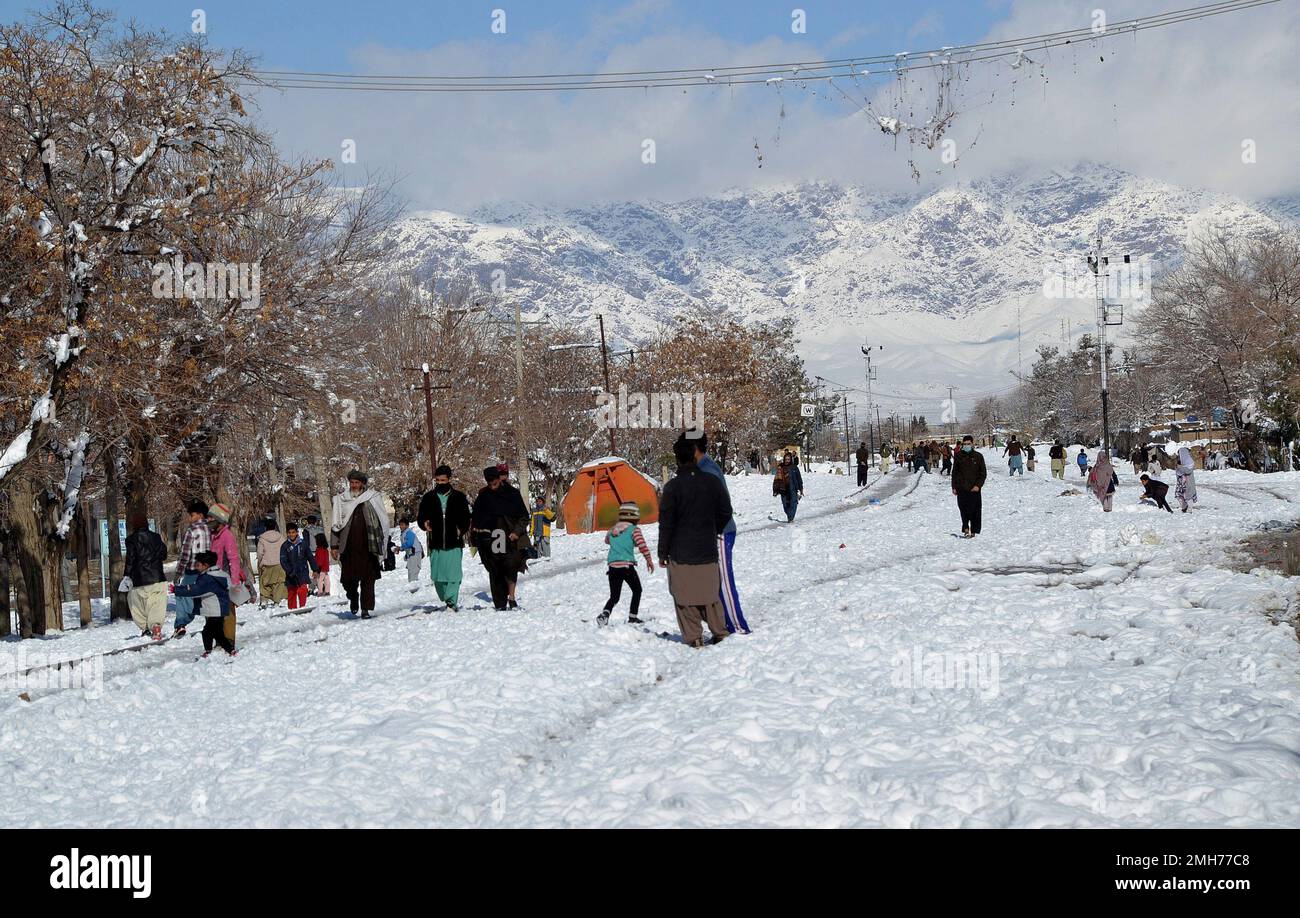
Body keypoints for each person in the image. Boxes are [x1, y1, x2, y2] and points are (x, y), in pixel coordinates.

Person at [659, 435, 733, 647]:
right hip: (706, 549)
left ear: (677, 459)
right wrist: (714, 528)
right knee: (710, 595)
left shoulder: (672, 488)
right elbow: (725, 510)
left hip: (680, 551)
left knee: (684, 597)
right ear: (694, 455)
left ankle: (694, 637)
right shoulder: (711, 482)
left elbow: (666, 524)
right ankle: (720, 632)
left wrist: (663, 553)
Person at [695, 432, 749, 635]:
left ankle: (738, 627)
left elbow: (718, 505)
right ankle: (725, 625)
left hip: (720, 532)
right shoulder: (702, 468)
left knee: (724, 583)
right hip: (713, 532)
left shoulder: (708, 470)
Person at [330, 469, 390, 618]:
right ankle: (353, 597)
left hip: (368, 547)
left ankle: (365, 609)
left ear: (362, 484)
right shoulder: (341, 500)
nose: (354, 485)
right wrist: (334, 546)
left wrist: (382, 543)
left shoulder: (372, 498)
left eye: (357, 482)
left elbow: (383, 521)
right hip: (349, 548)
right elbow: (336, 524)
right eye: (352, 482)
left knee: (368, 580)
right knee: (348, 580)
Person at [470, 465, 530, 611]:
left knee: (510, 567)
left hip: (509, 537)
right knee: (495, 570)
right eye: (489, 484)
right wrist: (475, 537)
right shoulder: (484, 495)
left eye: (494, 483)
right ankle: (500, 604)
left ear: (499, 479)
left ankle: (511, 597)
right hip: (491, 538)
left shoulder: (512, 494)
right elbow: (476, 518)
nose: (492, 487)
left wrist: (516, 532)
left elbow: (523, 517)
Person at [417, 465, 472, 611]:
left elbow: (466, 517)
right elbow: (421, 516)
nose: (440, 483)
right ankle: (445, 597)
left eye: (443, 480)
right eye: (438, 480)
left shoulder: (459, 497)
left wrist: (461, 529)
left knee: (454, 575)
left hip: (454, 542)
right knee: (437, 576)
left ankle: (451, 601)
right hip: (435, 542)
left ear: (449, 479)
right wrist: (424, 523)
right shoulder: (428, 497)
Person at [597, 501, 655, 626]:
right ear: (635, 516)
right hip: (626, 566)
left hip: (612, 567)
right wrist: (649, 560)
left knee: (614, 596)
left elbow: (607, 540)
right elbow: (642, 546)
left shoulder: (613, 529)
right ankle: (633, 617)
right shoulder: (634, 530)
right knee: (637, 590)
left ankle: (605, 615)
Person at [173, 550, 235, 657]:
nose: (196, 567)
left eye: (198, 565)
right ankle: (226, 650)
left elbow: (196, 590)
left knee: (209, 632)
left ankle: (213, 651)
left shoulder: (208, 578)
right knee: (216, 632)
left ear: (206, 565)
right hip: (219, 609)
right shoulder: (220, 574)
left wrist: (177, 590)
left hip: (216, 610)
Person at [208, 501, 253, 648]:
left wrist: (234, 582)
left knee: (227, 612)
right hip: (213, 579)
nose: (208, 521)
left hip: (225, 579)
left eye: (211, 518)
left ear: (219, 520)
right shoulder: (212, 535)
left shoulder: (227, 536)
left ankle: (228, 640)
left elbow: (233, 559)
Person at [124, 512, 168, 641]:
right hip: (157, 577)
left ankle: (145, 628)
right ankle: (155, 627)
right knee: (156, 604)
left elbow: (130, 560)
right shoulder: (156, 537)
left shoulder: (131, 540)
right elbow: (163, 555)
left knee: (136, 604)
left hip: (139, 579)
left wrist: (127, 575)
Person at [173, 499, 211, 638]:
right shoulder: (212, 529)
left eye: (192, 515)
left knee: (182, 595)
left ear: (200, 515)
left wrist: (179, 572)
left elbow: (185, 553)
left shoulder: (192, 530)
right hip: (209, 570)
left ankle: (181, 624)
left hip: (193, 570)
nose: (190, 518)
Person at [952, 434, 986, 538]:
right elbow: (954, 472)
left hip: (974, 488)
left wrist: (978, 485)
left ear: (972, 444)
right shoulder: (958, 456)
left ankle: (974, 530)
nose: (967, 445)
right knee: (963, 509)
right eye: (965, 444)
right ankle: (966, 528)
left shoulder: (978, 456)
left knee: (975, 510)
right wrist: (954, 486)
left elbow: (983, 473)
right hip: (961, 488)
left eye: (969, 444)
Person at [279, 521, 318, 610]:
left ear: (297, 532)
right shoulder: (285, 546)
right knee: (292, 592)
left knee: (302, 589)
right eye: (289, 533)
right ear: (287, 533)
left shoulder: (303, 543)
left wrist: (315, 569)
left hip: (302, 571)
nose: (291, 535)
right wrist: (289, 571)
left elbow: (310, 557)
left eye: (293, 532)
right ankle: (292, 610)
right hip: (291, 574)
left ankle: (302, 607)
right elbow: (283, 561)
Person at [256, 519, 287, 608]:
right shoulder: (281, 537)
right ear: (275, 527)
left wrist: (260, 562)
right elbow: (285, 549)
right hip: (279, 564)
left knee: (265, 583)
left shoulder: (262, 539)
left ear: (265, 527)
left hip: (267, 564)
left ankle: (264, 601)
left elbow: (260, 552)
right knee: (278, 583)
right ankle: (276, 601)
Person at [773, 451, 804, 522]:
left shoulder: (794, 467)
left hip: (793, 488)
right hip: (783, 488)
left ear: (790, 460)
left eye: (788, 459)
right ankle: (789, 515)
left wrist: (801, 488)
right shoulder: (781, 467)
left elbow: (799, 478)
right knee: (785, 505)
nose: (787, 461)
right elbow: (777, 479)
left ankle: (791, 518)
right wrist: (775, 490)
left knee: (793, 503)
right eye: (786, 459)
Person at [396, 518, 425, 583]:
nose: (401, 526)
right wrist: (399, 548)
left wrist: (401, 547)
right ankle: (412, 586)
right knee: (410, 570)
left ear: (407, 526)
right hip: (411, 554)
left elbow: (409, 544)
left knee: (414, 570)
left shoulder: (409, 533)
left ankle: (414, 587)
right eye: (400, 525)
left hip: (415, 553)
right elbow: (405, 546)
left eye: (402, 525)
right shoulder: (403, 534)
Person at [1175, 446, 1199, 512]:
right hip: (1181, 483)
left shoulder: (1189, 462)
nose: (1179, 456)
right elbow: (1178, 472)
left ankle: (1189, 509)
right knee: (1178, 495)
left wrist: (1180, 467)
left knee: (1188, 496)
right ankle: (1184, 507)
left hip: (1188, 483)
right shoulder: (1180, 461)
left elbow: (1188, 471)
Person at [312, 532, 331, 597]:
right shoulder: (325, 549)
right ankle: (327, 591)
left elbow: (320, 560)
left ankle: (320, 592)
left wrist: (318, 567)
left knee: (319, 580)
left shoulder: (319, 549)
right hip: (325, 567)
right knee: (326, 579)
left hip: (321, 567)